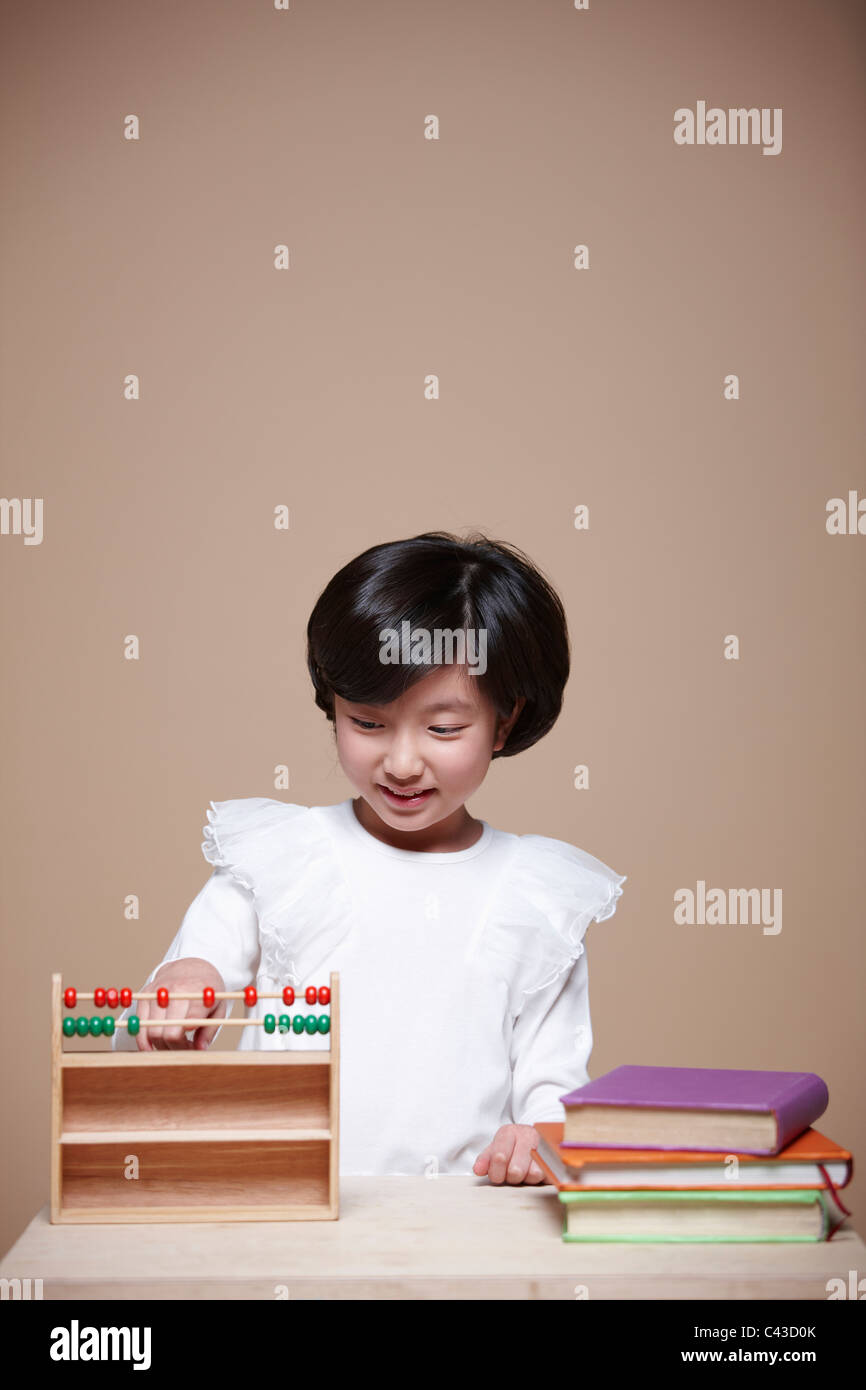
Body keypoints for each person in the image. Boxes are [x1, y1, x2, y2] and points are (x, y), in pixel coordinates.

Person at [113, 531, 626, 1183]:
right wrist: (178, 991)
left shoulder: (535, 897)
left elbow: (553, 1092)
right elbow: (165, 1007)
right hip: (288, 1217)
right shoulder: (278, 861)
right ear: (333, 704)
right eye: (368, 722)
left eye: (443, 728)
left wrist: (539, 1138)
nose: (403, 762)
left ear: (504, 721)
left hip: (458, 1240)